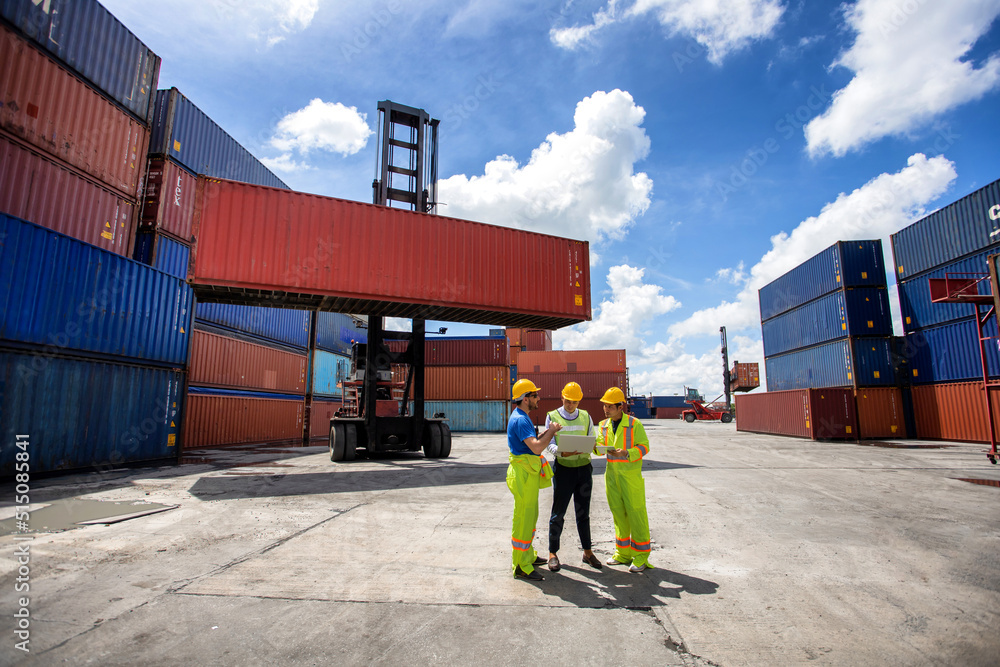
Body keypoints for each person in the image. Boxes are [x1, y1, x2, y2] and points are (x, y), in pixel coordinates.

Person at [507, 378, 562, 581]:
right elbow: (537, 447)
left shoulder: (523, 417)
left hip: (526, 474)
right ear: (525, 398)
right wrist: (553, 431)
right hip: (522, 475)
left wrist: (548, 431)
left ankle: (527, 555)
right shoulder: (521, 420)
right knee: (523, 519)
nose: (539, 398)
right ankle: (520, 565)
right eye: (535, 395)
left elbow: (535, 442)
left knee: (530, 516)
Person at [544, 382, 603, 572]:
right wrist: (561, 453)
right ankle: (553, 553)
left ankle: (587, 552)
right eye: (568, 401)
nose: (571, 405)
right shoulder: (552, 416)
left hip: (584, 470)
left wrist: (596, 447)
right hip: (564, 470)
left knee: (583, 513)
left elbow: (591, 438)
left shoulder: (586, 416)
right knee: (558, 513)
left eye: (575, 402)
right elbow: (548, 443)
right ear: (562, 398)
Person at [596, 387, 654, 573]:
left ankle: (641, 556)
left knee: (636, 515)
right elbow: (598, 448)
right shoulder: (603, 425)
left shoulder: (634, 424)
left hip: (630, 478)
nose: (606, 409)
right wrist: (596, 448)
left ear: (620, 406)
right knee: (619, 515)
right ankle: (622, 553)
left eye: (610, 406)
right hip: (612, 477)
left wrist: (627, 453)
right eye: (604, 406)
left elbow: (645, 447)